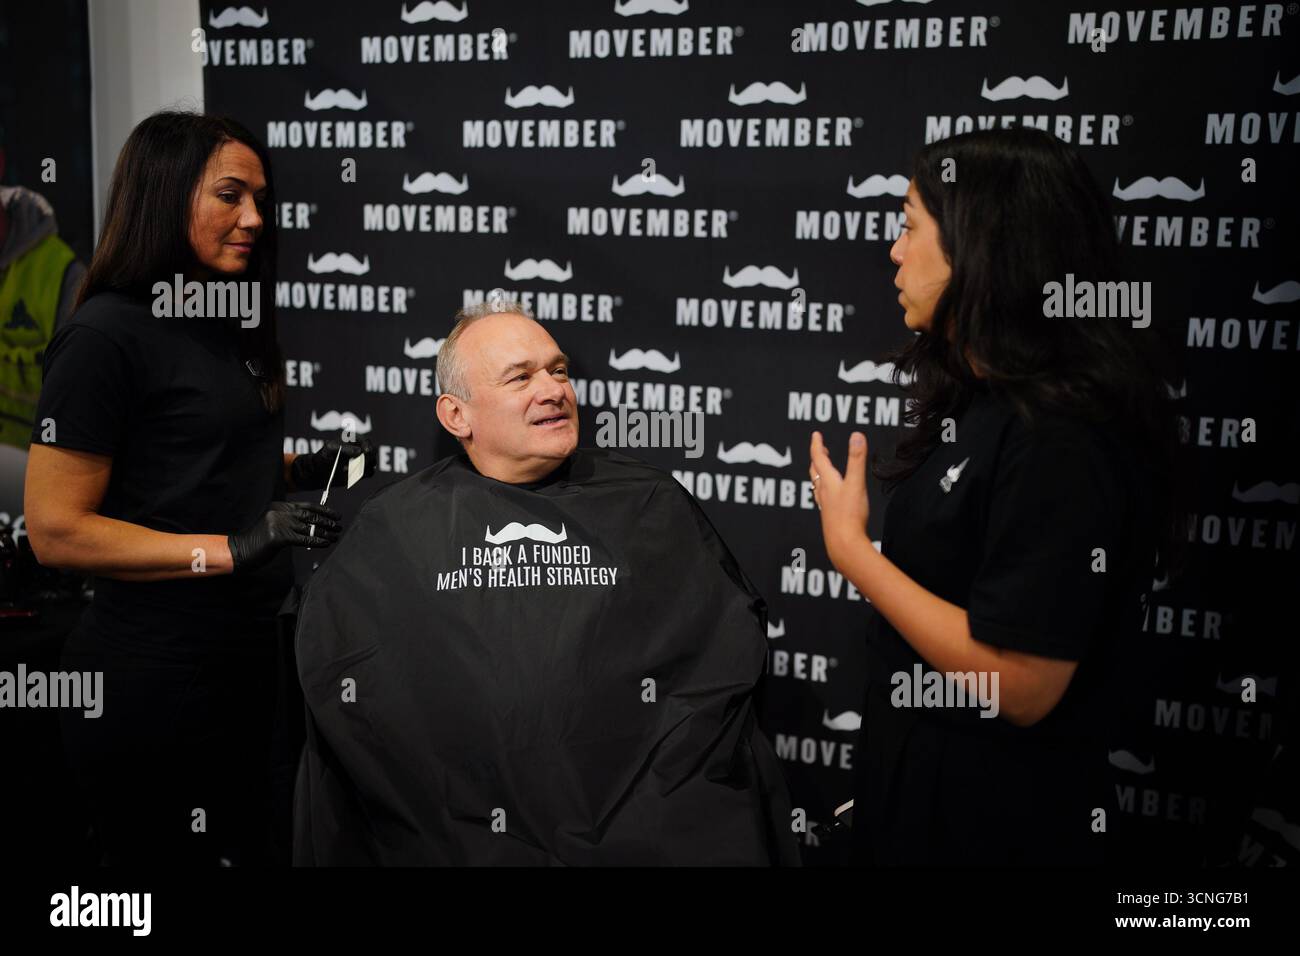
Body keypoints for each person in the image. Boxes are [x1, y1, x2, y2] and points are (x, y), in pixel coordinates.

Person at [292, 301, 800, 866]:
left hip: (644, 826)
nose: (554, 389)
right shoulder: (392, 529)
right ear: (456, 415)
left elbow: (718, 662)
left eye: (558, 370)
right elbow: (352, 692)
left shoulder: (650, 503)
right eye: (520, 377)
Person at [809, 128, 1184, 865]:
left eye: (911, 225)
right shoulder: (981, 396)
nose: (893, 251)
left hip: (1001, 825)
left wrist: (854, 555)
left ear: (980, 247)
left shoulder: (1063, 432)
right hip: (918, 802)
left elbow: (1023, 685)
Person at [23, 111, 377, 865]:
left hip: (248, 660)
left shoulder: (229, 320)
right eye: (229, 195)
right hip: (151, 676)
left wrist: (302, 470)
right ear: (164, 195)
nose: (253, 217)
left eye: (259, 197)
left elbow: (185, 461)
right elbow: (56, 529)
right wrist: (234, 546)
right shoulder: (103, 338)